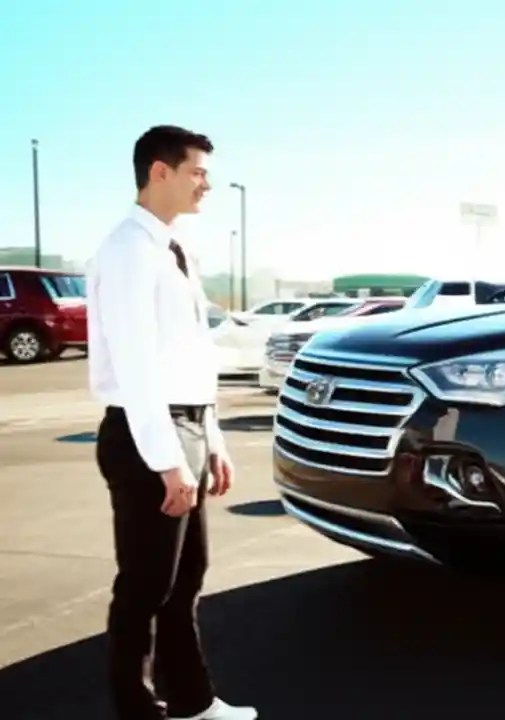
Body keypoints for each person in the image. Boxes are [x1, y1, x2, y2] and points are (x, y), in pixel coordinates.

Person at [87, 125, 256, 720]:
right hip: (145, 434)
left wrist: (213, 441)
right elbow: (135, 366)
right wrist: (167, 461)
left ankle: (192, 702)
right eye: (197, 171)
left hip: (184, 426)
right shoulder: (129, 250)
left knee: (185, 582)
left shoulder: (174, 247)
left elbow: (189, 359)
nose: (205, 182)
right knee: (144, 588)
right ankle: (134, 710)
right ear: (160, 172)